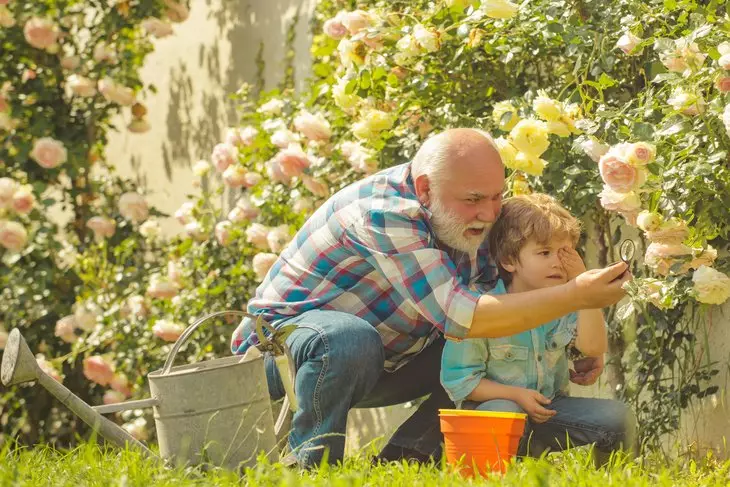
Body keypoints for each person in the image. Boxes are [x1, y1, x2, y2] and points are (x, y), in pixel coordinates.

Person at [230, 128, 631, 468]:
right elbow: (464, 316)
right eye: (474, 199)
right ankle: (312, 466)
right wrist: (575, 296)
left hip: (386, 358)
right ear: (425, 189)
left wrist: (577, 325)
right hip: (284, 356)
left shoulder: (463, 217)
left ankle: (404, 460)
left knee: (476, 349)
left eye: (497, 196)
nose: (491, 213)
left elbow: (502, 305)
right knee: (349, 338)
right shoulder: (384, 213)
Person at [441, 193, 636, 461]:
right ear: (509, 260)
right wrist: (516, 395)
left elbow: (593, 347)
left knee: (618, 418)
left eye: (565, 252)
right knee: (504, 412)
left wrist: (584, 286)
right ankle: (499, 473)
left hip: (548, 410)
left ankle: (612, 479)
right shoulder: (483, 307)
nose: (557, 262)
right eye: (544, 252)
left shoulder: (565, 300)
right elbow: (460, 382)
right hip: (496, 411)